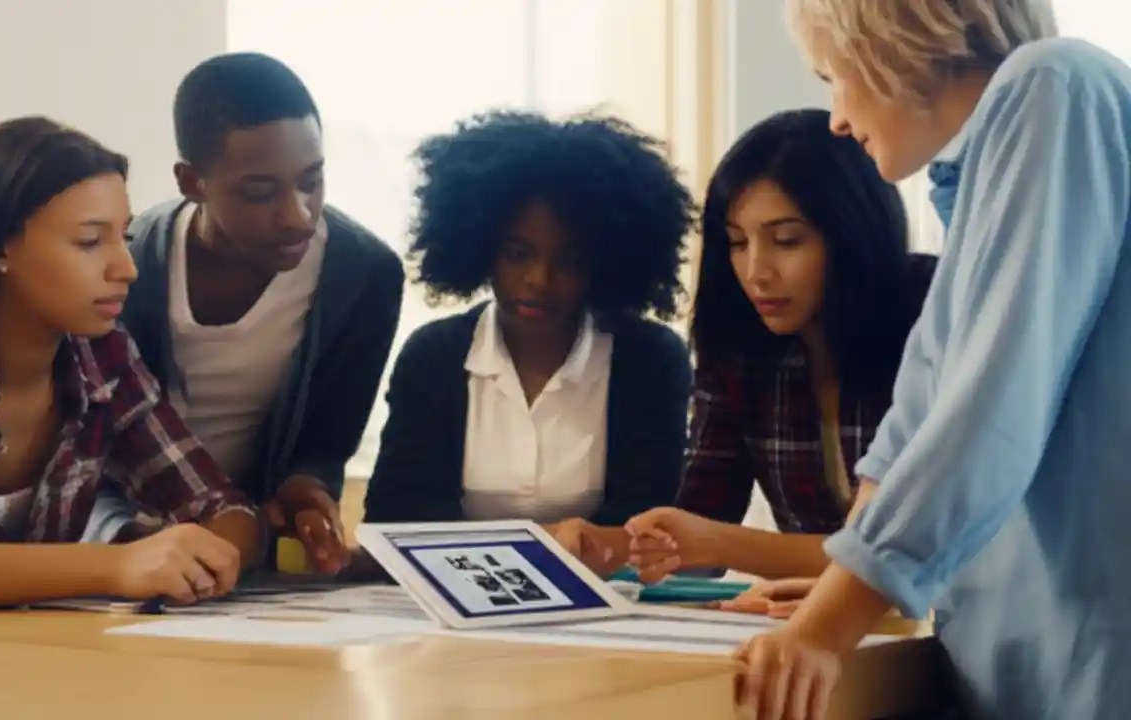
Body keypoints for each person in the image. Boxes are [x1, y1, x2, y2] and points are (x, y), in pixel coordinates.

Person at [635, 1, 1131, 717]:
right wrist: (843, 589)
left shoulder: (1055, 85)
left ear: (892, 44)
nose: (837, 118)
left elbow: (989, 412)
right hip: (1025, 673)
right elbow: (912, 429)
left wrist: (830, 624)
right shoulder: (974, 196)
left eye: (834, 76)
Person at [0, 116, 263, 610]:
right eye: (90, 242)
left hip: (20, 651)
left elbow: (224, 507)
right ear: (1, 245)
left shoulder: (102, 355)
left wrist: (202, 560)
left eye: (125, 237)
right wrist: (114, 565)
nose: (126, 268)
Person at [84, 53, 404, 573]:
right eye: (260, 192)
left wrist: (305, 491)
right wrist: (123, 536)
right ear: (192, 182)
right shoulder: (127, 264)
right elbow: (85, 445)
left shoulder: (365, 275)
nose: (297, 215)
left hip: (248, 549)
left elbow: (327, 441)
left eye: (311, 181)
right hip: (116, 542)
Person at [362, 111, 694, 575]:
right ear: (482, 249)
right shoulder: (433, 357)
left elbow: (650, 531)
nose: (539, 279)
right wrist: (543, 543)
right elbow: (395, 523)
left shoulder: (649, 360)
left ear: (604, 262)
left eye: (569, 260)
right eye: (518, 254)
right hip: (450, 599)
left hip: (608, 601)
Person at [631, 109, 935, 583]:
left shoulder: (931, 312)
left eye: (787, 241)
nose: (756, 272)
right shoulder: (740, 345)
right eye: (737, 243)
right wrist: (648, 544)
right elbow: (695, 534)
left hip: (950, 618)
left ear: (852, 232)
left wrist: (715, 542)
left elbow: (911, 551)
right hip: (816, 619)